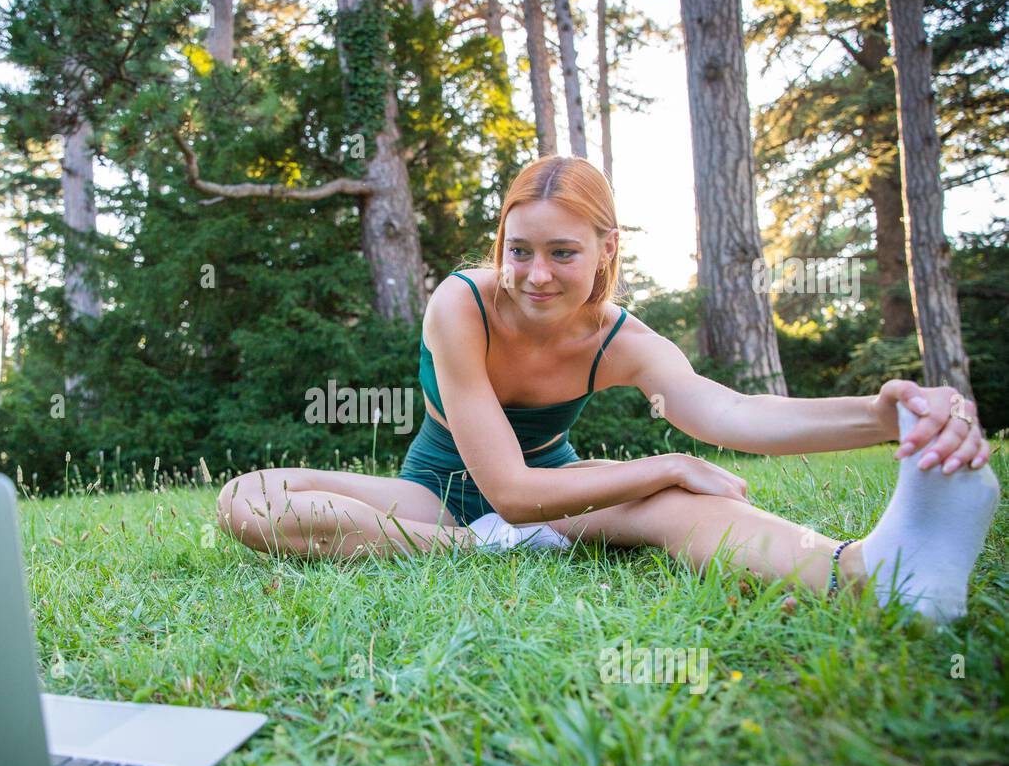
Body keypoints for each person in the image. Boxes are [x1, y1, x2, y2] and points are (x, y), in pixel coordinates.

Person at [216, 155, 1000, 621]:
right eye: (519, 250)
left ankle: (865, 574)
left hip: (556, 493)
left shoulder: (619, 338)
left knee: (680, 508)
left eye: (562, 252)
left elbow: (731, 411)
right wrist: (663, 463)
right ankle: (482, 551)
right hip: (436, 497)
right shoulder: (460, 304)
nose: (535, 275)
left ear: (605, 249)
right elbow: (509, 492)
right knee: (248, 500)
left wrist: (884, 416)